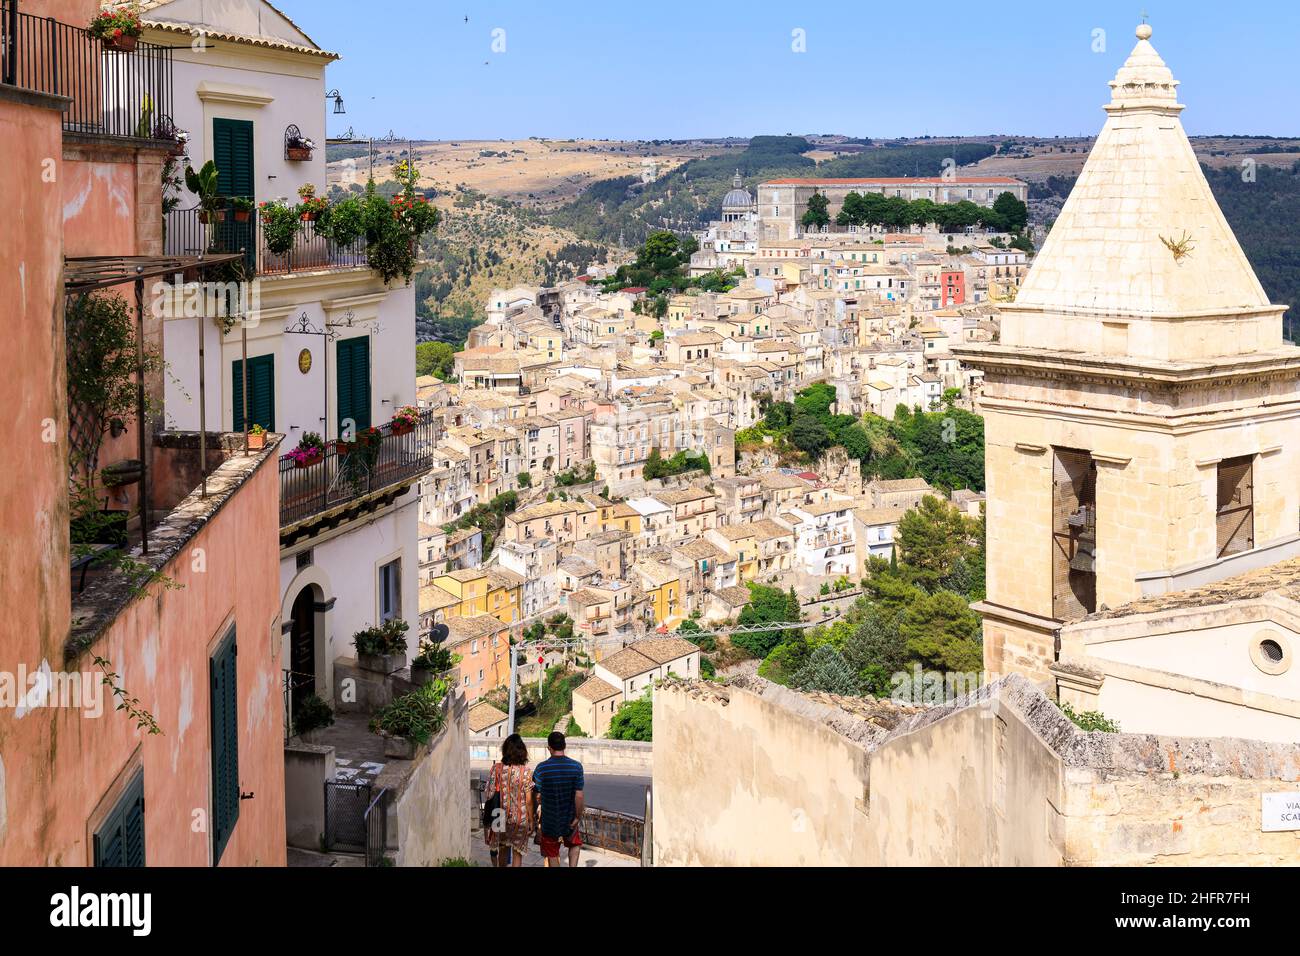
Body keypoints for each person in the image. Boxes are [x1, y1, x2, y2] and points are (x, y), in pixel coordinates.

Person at [530, 730, 585, 867]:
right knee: (575, 844)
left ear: (549, 748)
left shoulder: (541, 769)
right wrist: (577, 817)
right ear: (564, 746)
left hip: (550, 820)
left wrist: (534, 815)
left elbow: (535, 795)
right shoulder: (576, 767)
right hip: (570, 817)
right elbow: (579, 795)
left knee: (552, 852)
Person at [482, 733, 533, 868]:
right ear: (522, 751)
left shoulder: (496, 768)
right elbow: (528, 800)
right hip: (520, 817)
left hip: (499, 814)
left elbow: (489, 793)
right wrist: (531, 820)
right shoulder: (526, 772)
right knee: (517, 852)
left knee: (502, 849)